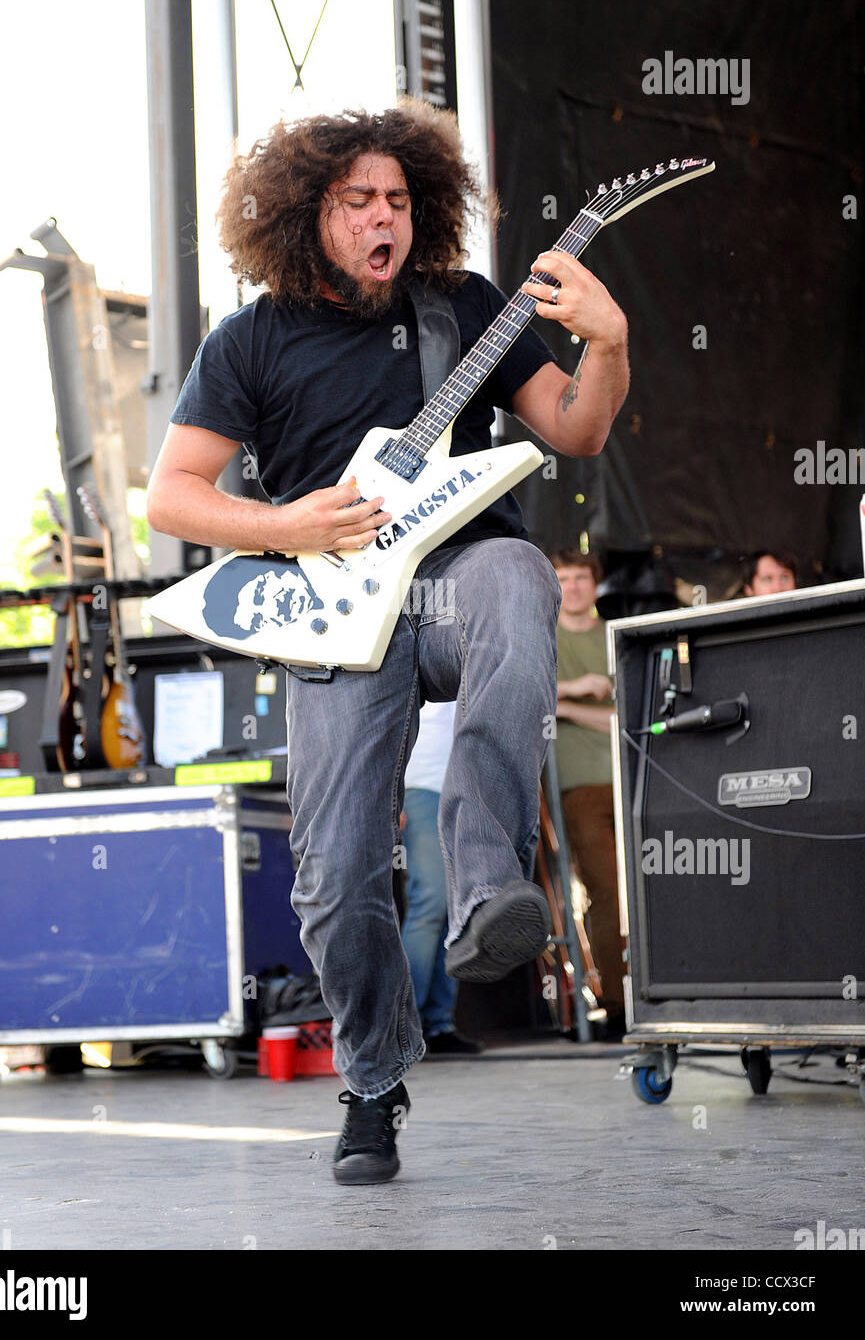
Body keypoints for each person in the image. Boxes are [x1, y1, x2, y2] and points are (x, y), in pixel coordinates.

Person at [147, 100, 629, 1184]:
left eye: (400, 200)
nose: (384, 219)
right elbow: (170, 499)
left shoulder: (461, 306)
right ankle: (371, 1078)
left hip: (451, 582)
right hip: (334, 612)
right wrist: (285, 525)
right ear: (305, 212)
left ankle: (487, 879)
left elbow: (578, 428)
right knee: (334, 882)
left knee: (514, 571)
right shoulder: (250, 340)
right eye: (358, 200)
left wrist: (609, 340)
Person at [551, 549, 626, 1037]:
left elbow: (631, 719)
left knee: (656, 890)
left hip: (636, 779)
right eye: (563, 578)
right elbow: (529, 693)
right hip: (577, 786)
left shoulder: (617, 636)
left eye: (582, 577)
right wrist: (580, 689)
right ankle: (618, 1007)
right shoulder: (542, 638)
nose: (574, 586)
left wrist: (567, 707)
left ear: (596, 585)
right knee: (607, 893)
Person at [400, 700, 480, 1055]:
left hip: (461, 787)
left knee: (453, 909)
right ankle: (403, 1025)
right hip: (424, 784)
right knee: (430, 902)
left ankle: (437, 1024)